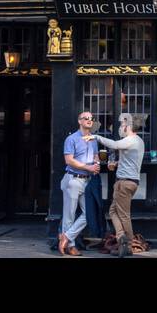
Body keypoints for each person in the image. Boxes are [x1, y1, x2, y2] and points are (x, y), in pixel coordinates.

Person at [96, 113, 145, 256]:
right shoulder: (138, 141)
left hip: (124, 183)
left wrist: (96, 137)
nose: (121, 127)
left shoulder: (131, 139)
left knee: (123, 215)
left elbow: (115, 145)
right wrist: (117, 164)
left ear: (128, 126)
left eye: (123, 125)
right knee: (113, 211)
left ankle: (127, 245)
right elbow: (131, 160)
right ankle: (121, 237)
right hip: (129, 181)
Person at [58, 110, 99, 257]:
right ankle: (71, 246)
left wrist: (96, 163)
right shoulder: (72, 139)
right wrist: (88, 167)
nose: (89, 120)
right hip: (73, 179)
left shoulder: (93, 139)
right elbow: (69, 160)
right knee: (69, 215)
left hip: (87, 181)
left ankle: (66, 236)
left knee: (89, 214)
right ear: (79, 121)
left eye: (91, 118)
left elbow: (95, 156)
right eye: (85, 118)